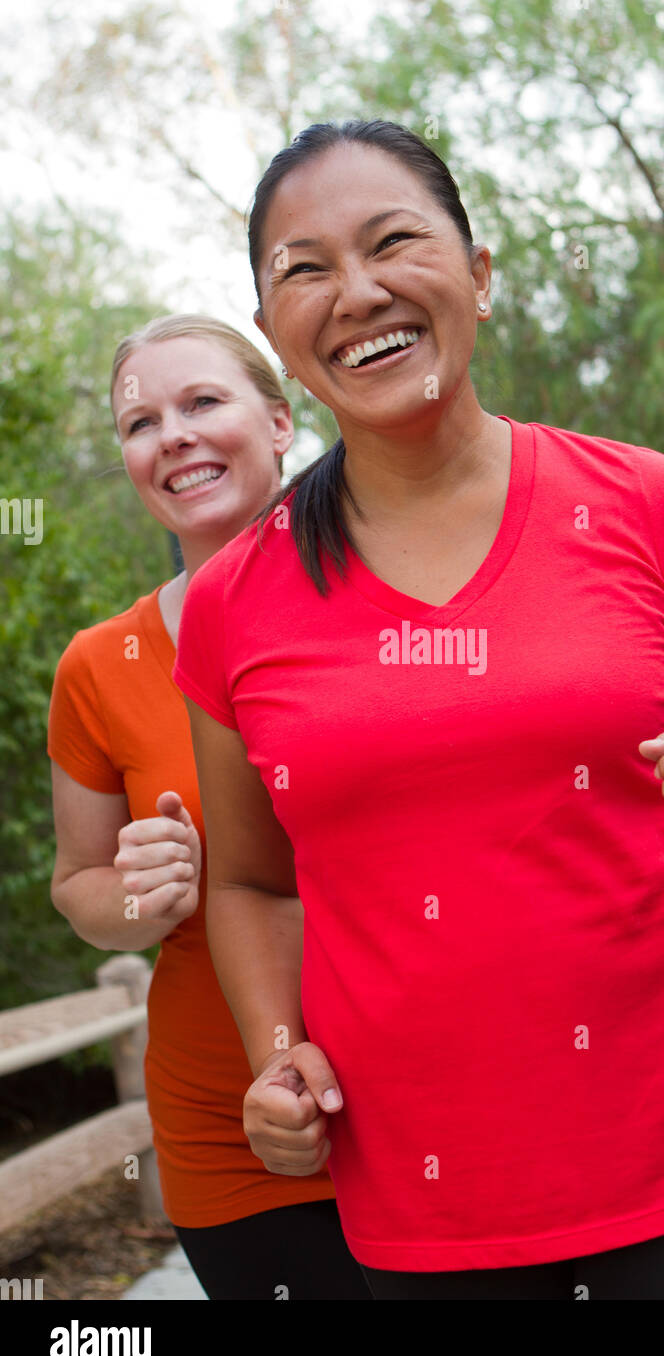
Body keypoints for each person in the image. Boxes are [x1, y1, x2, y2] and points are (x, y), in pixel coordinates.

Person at [172, 122, 664, 1301]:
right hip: (421, 1225)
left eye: (393, 242)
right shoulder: (233, 602)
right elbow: (251, 882)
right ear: (273, 332)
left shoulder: (656, 507)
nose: (357, 291)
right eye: (304, 268)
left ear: (478, 277)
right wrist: (278, 1057)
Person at [47, 314, 372, 1300]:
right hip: (231, 1122)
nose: (172, 435)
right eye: (141, 422)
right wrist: (140, 894)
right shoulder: (100, 665)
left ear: (280, 422)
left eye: (202, 401)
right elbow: (79, 888)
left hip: (423, 1088)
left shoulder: (399, 605)